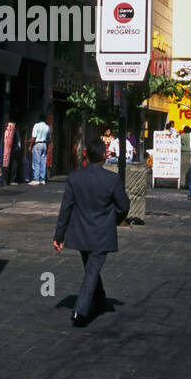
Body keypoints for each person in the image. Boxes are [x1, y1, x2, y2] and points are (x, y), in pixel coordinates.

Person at [53, 138, 130, 327]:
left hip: (80, 232)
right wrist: (113, 219)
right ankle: (80, 310)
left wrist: (59, 235)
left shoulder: (74, 178)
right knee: (91, 270)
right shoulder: (112, 179)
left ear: (85, 154)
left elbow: (66, 209)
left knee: (91, 267)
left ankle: (100, 298)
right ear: (104, 156)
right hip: (102, 232)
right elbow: (124, 206)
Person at [29, 112, 51, 184]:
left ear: (39, 119)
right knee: (43, 162)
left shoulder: (36, 125)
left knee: (36, 162)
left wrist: (30, 146)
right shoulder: (47, 127)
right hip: (44, 144)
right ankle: (42, 179)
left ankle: (36, 179)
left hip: (37, 144)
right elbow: (49, 138)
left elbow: (33, 137)